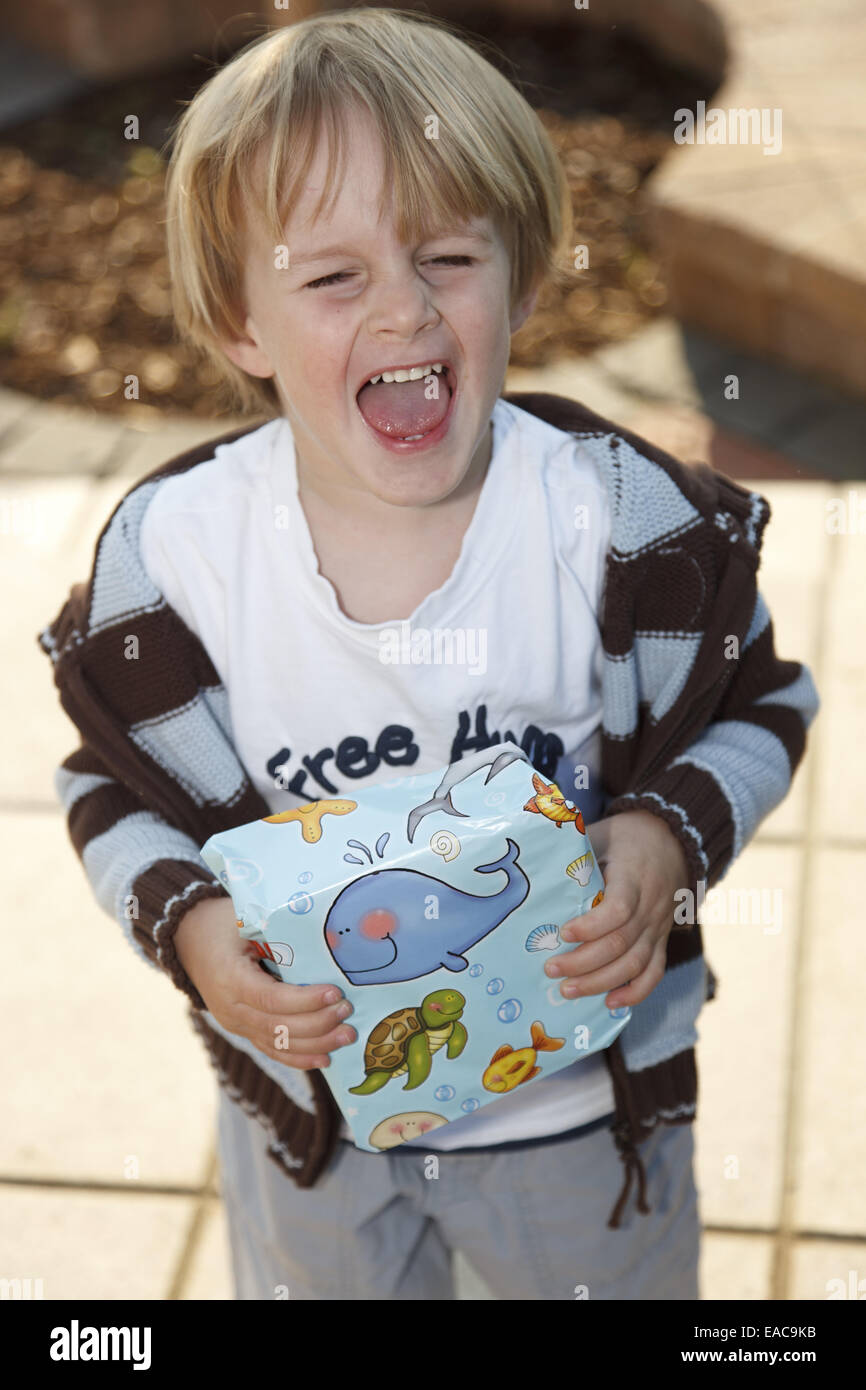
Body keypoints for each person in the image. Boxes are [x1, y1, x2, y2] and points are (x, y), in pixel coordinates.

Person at [38, 8, 819, 1301]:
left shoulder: (610, 530)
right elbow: (107, 793)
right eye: (333, 277)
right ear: (242, 324)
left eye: (449, 256)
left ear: (515, 271)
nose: (402, 305)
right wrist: (194, 929)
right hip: (316, 1133)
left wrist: (663, 837)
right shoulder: (184, 566)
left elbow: (761, 705)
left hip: (569, 1122)